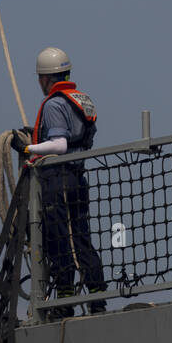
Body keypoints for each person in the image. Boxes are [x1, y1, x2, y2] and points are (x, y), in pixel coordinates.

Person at [12, 49, 108, 317]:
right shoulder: (81, 100)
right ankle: (98, 297)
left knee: (61, 240)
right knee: (80, 237)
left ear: (46, 78)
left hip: (59, 179)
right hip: (77, 178)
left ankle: (64, 302)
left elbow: (60, 144)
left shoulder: (54, 104)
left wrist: (28, 148)